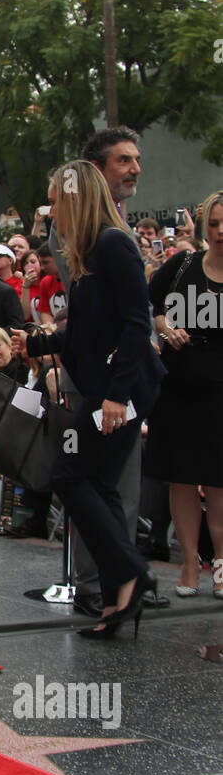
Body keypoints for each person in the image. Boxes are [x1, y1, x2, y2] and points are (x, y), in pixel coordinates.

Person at [12, 161, 165, 639]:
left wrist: (117, 398)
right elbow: (83, 332)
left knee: (71, 476)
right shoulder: (89, 252)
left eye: (57, 199)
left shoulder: (114, 245)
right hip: (106, 391)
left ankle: (130, 574)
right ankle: (124, 587)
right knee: (94, 485)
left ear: (76, 198)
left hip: (120, 394)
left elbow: (138, 324)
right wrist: (34, 345)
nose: (51, 209)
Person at [145, 189, 223, 598]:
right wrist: (164, 329)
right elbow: (152, 302)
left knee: (219, 481)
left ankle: (222, 563)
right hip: (178, 386)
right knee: (182, 477)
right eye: (213, 224)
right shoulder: (183, 264)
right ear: (203, 225)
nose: (221, 231)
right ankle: (190, 562)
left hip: (219, 391)